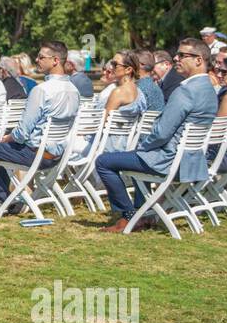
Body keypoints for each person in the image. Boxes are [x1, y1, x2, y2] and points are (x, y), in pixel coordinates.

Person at [94, 37, 220, 232]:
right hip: (191, 160)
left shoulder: (185, 91)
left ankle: (128, 217)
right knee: (133, 158)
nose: (177, 58)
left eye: (183, 55)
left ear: (199, 60)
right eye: (177, 54)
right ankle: (143, 214)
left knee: (104, 161)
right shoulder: (209, 90)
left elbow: (161, 133)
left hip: (169, 160)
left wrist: (143, 148)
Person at [0, 40, 80, 209]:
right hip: (57, 156)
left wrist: (8, 137)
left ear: (55, 61)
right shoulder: (74, 90)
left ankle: (6, 199)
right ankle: (6, 198)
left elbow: (22, 133)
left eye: (41, 57)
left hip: (34, 155)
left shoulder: (42, 90)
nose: (37, 60)